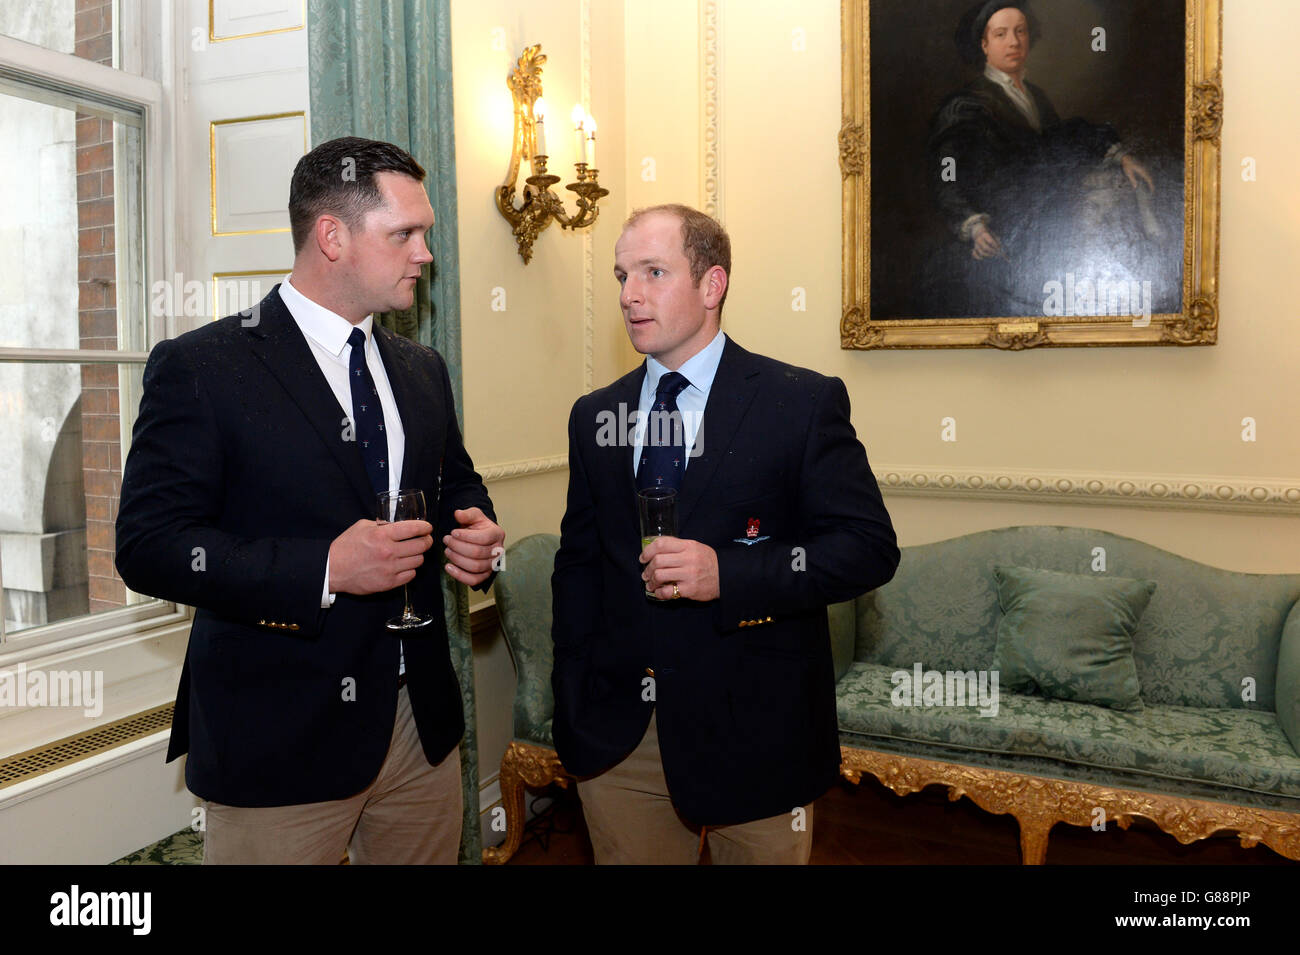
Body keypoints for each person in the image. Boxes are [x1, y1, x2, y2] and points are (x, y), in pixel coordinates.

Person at [115, 137, 505, 864]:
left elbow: (456, 482)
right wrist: (323, 567)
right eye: (405, 234)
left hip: (418, 724)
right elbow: (148, 546)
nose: (426, 255)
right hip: (277, 739)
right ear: (332, 236)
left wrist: (478, 537)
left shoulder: (422, 367)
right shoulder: (203, 368)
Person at [550, 204, 899, 864]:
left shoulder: (799, 403)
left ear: (712, 285)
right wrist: (572, 704)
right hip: (620, 741)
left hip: (760, 737)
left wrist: (729, 575)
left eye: (653, 272)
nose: (628, 295)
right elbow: (579, 568)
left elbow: (867, 547)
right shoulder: (596, 415)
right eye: (623, 275)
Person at [924, 1, 1161, 316]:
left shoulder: (1036, 98)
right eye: (1001, 34)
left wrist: (1120, 155)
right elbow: (946, 177)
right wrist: (975, 227)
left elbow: (1060, 142)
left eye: (1020, 32)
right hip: (997, 239)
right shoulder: (964, 106)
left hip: (1041, 229)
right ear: (984, 44)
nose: (1013, 41)